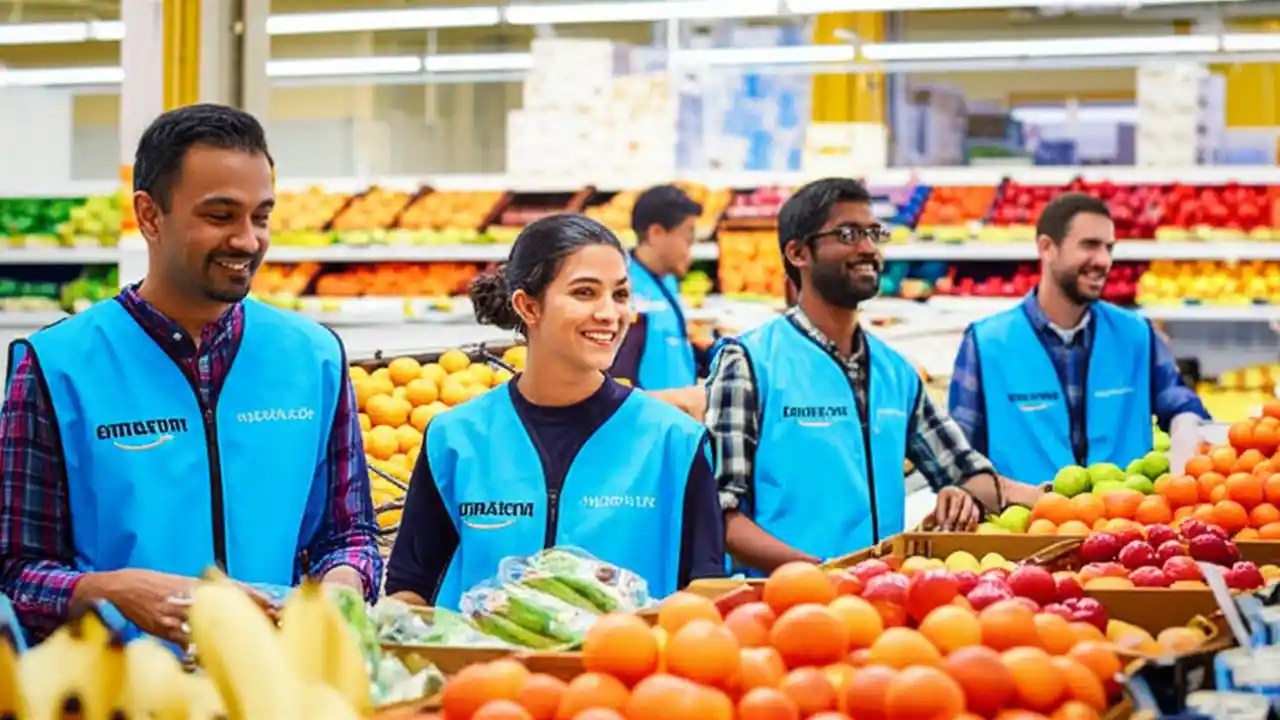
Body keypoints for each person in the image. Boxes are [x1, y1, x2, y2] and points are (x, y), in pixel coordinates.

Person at [0, 104, 381, 647]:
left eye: (261, 216)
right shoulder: (56, 365)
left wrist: (344, 585)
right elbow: (15, 571)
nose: (248, 240)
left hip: (276, 683)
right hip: (120, 689)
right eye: (221, 216)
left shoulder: (313, 357)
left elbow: (349, 535)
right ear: (150, 215)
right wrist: (117, 591)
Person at [385, 214, 724, 609]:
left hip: (624, 668)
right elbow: (409, 591)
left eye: (619, 295)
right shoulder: (455, 438)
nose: (610, 314)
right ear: (528, 307)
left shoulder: (674, 442)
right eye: (584, 293)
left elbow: (705, 597)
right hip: (482, 671)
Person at [705, 178, 1042, 575]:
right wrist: (826, 573)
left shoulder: (895, 371)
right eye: (847, 234)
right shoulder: (748, 362)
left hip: (881, 603)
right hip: (783, 609)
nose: (867, 248)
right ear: (798, 253)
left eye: (872, 233)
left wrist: (1053, 501)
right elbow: (721, 515)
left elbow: (963, 470)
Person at [949, 192, 1210, 485]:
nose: (1103, 260)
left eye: (1109, 248)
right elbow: (959, 459)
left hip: (1127, 521)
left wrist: (1182, 470)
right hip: (1025, 524)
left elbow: (1182, 407)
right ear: (1047, 248)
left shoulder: (1136, 334)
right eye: (1090, 245)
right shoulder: (986, 343)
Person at [610, 185, 702, 391]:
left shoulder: (668, 281)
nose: (690, 250)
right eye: (687, 239)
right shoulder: (621, 288)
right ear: (656, 233)